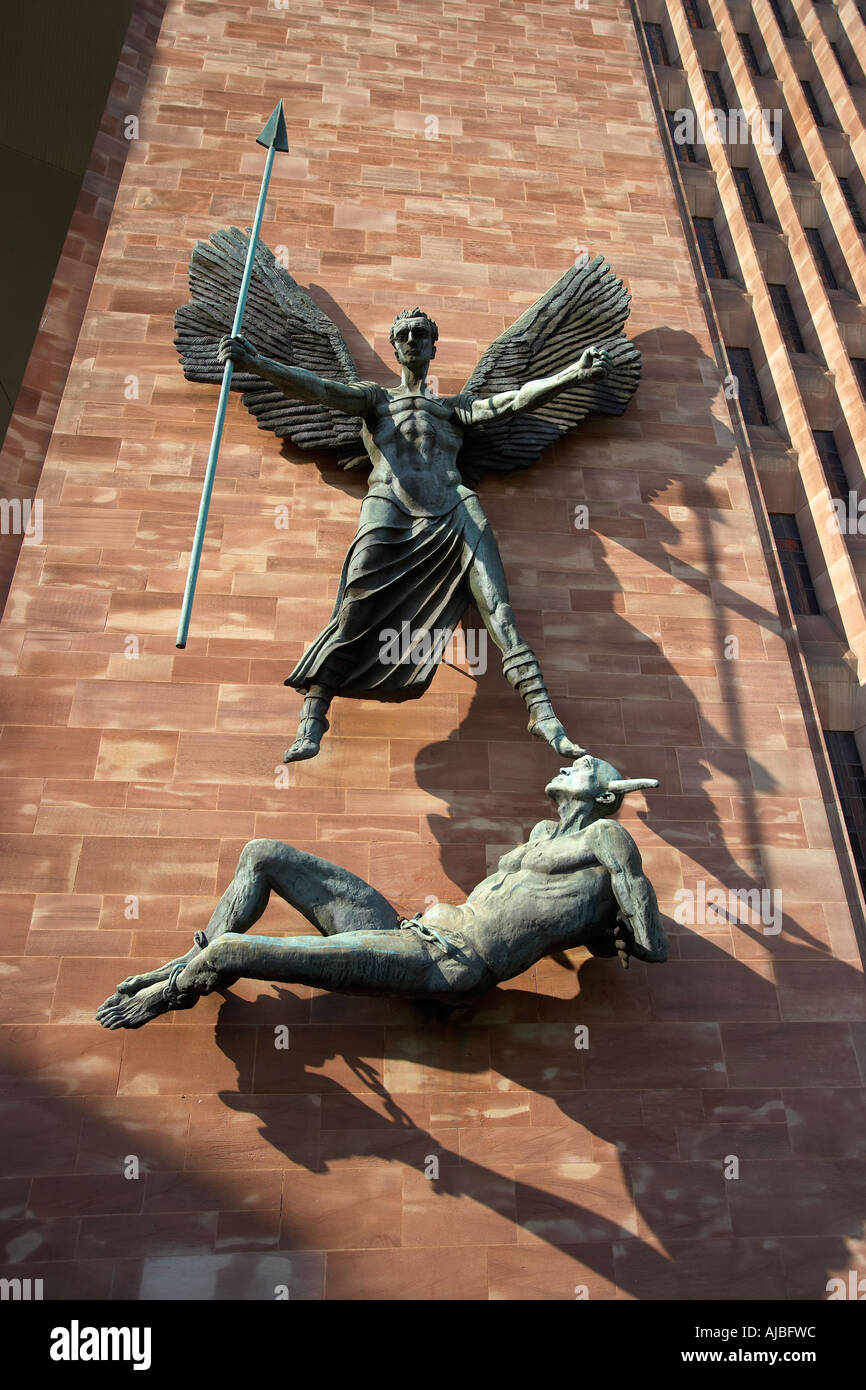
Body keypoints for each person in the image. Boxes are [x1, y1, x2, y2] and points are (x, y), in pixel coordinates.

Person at [218, 312, 611, 762]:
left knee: (499, 609)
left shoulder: (452, 408)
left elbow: (511, 402)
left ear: (432, 346)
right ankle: (312, 718)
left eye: (420, 334)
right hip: (390, 505)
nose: (411, 340)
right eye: (402, 335)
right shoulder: (375, 400)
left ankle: (544, 716)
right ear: (394, 346)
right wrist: (257, 364)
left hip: (456, 505)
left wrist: (571, 375)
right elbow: (320, 390)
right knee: (354, 608)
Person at [96, 754, 666, 1030]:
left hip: (448, 961)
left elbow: (649, 939)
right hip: (408, 935)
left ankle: (173, 989)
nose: (576, 761)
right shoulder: (542, 837)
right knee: (262, 854)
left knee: (233, 953)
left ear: (608, 795)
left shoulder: (608, 838)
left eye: (589, 766)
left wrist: (630, 925)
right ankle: (193, 961)